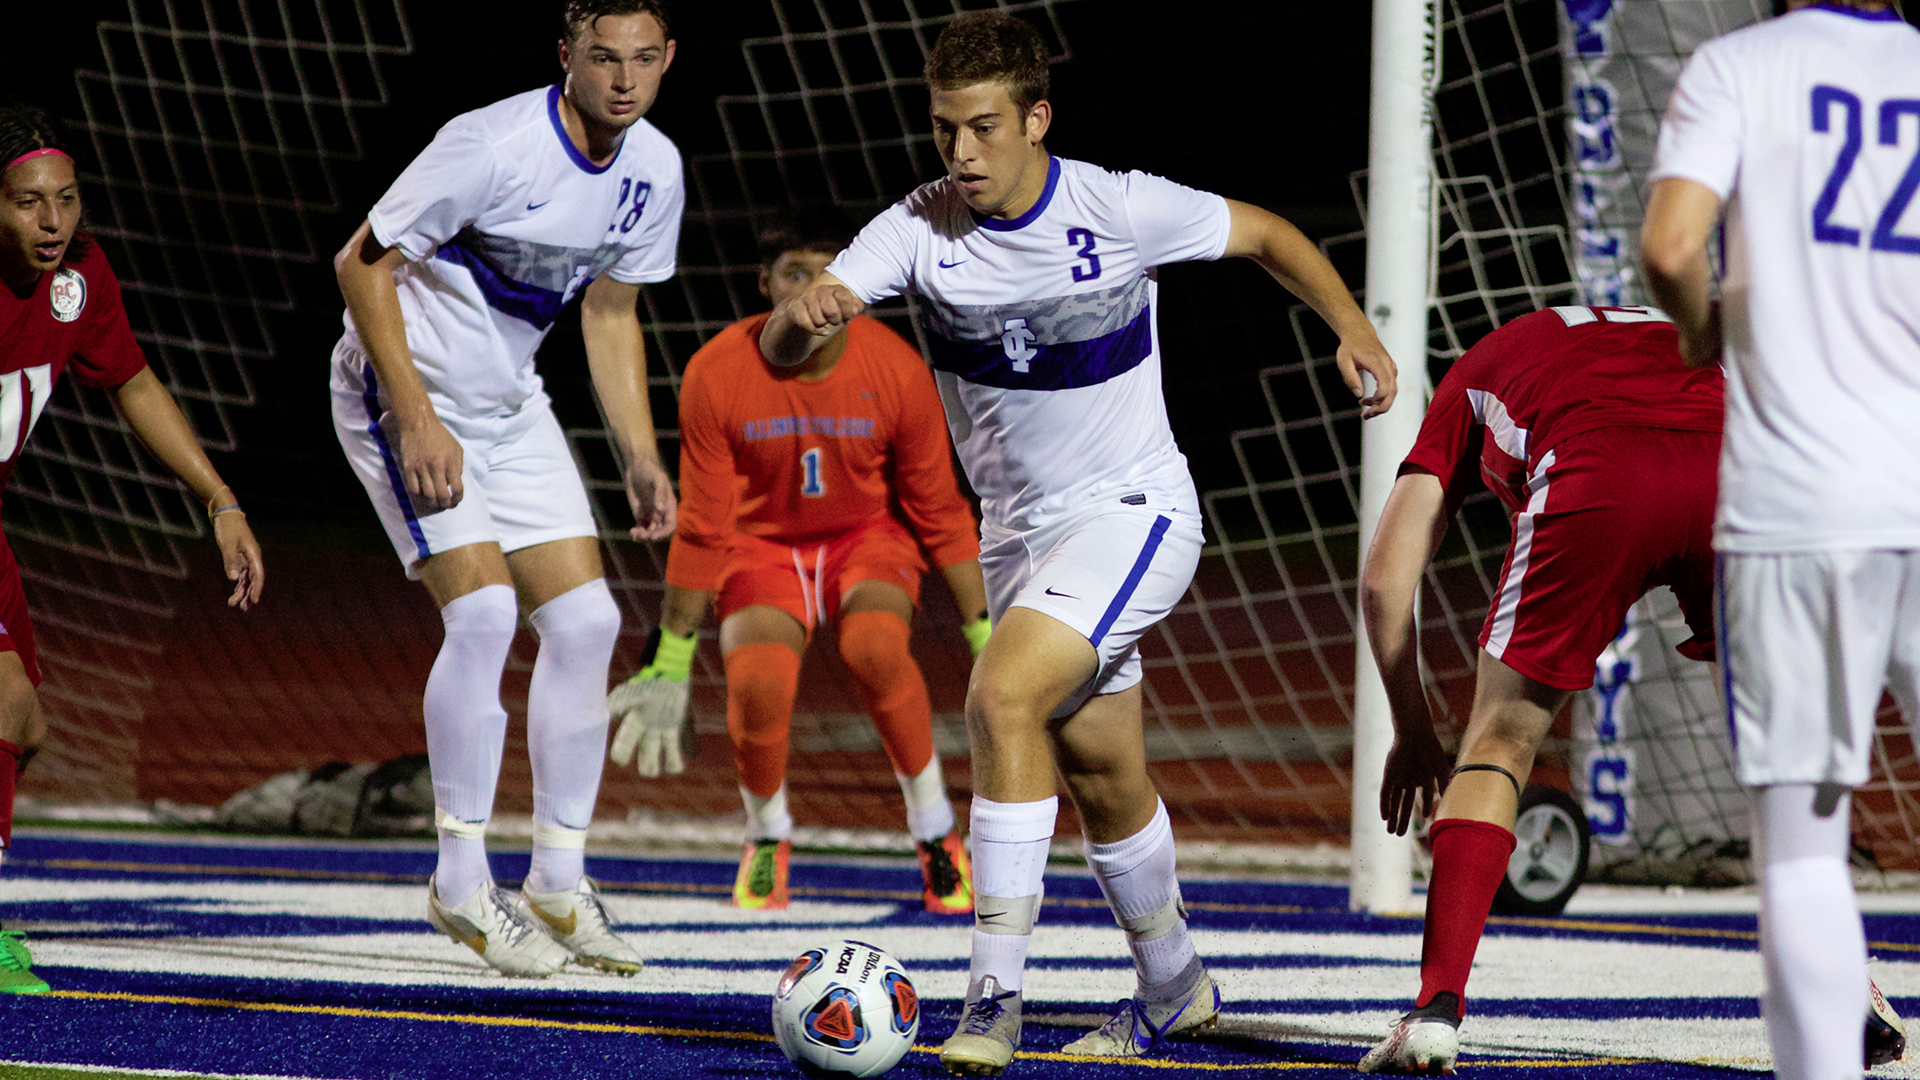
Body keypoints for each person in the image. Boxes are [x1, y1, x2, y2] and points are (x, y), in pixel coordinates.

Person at [760, 13, 1398, 1073]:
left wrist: (1354, 328)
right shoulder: (914, 230)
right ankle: (1177, 987)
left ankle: (991, 1003)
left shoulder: (1119, 203)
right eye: (943, 130)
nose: (960, 153)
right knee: (1103, 773)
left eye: (982, 128)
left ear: (1035, 119)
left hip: (1137, 513)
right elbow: (784, 354)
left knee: (1002, 697)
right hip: (1023, 543)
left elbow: (1272, 236)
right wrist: (807, 313)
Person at [329, 0, 682, 978]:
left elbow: (612, 313)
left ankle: (560, 882)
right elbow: (359, 265)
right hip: (395, 393)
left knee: (587, 626)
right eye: (603, 56)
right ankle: (459, 882)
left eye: (643, 59)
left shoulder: (656, 170)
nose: (623, 78)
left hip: (509, 405)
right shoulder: (488, 146)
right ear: (564, 54)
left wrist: (641, 455)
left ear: (666, 62)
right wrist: (416, 415)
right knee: (483, 615)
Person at [1641, 2, 1920, 1077]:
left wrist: (1702, 326)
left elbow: (1672, 245)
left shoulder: (1738, 64)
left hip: (1798, 499)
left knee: (1804, 851)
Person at [1355, 305, 1724, 1072]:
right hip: (1740, 460)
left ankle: (1435, 1010)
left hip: (1602, 468)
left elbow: (1386, 581)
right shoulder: (1667, 321)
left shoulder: (1476, 370)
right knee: (1778, 739)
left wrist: (1413, 730)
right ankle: (1844, 985)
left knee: (1501, 739)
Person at [605, 205, 988, 915]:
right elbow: (705, 520)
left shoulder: (898, 369)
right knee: (757, 680)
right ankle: (767, 837)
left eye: (828, 273)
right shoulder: (716, 371)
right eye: (794, 274)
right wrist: (671, 653)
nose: (813, 290)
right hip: (762, 544)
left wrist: (983, 631)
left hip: (864, 538)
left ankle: (937, 832)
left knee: (876, 647)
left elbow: (939, 508)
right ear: (766, 284)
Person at [0, 104, 265, 993]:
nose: (52, 223)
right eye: (29, 203)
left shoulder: (81, 276)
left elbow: (133, 379)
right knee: (5, 710)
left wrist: (219, 498)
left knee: (22, 732)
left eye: (66, 200)